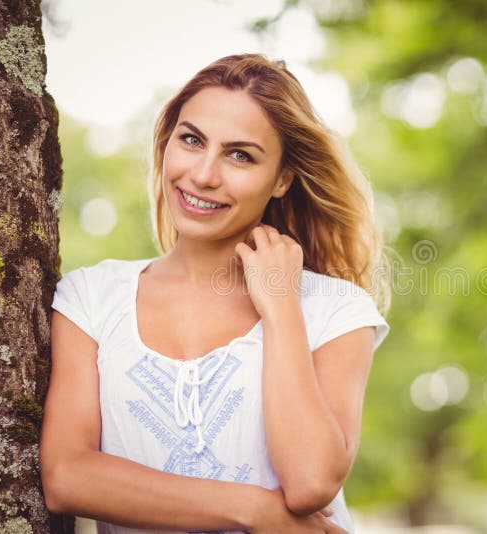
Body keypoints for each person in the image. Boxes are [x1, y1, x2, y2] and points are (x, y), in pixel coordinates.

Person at [40, 54, 390, 533]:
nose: (204, 175)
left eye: (240, 155)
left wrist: (281, 307)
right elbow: (67, 477)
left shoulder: (336, 310)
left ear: (282, 179)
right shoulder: (90, 298)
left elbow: (310, 482)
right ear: (167, 144)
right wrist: (255, 510)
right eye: (191, 140)